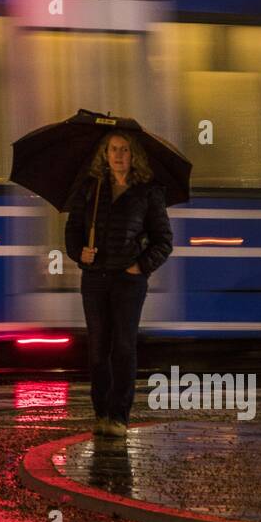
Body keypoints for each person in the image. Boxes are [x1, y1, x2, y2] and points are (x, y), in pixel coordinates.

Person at [65, 132, 173, 438]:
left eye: (125, 149)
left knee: (123, 347)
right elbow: (73, 230)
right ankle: (101, 413)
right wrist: (78, 253)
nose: (119, 155)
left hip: (128, 282)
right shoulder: (91, 188)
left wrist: (140, 266)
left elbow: (164, 242)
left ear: (133, 155)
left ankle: (119, 417)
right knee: (98, 349)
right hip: (95, 279)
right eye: (113, 149)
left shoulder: (148, 192)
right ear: (105, 154)